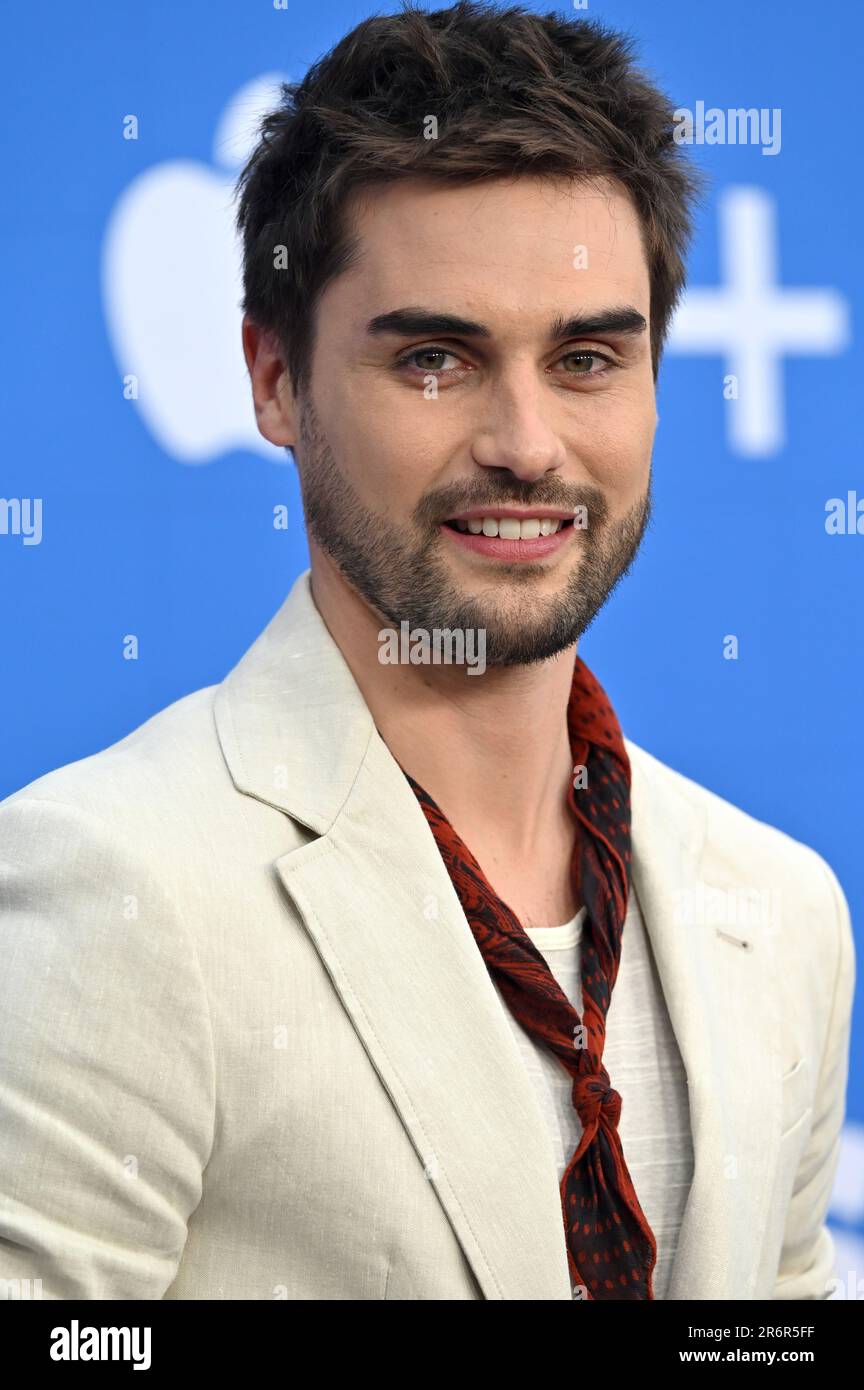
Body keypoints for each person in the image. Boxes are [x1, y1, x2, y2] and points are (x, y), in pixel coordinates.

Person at [0, 2, 854, 1301]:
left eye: (585, 357)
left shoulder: (784, 912)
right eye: (437, 358)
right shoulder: (111, 892)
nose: (525, 439)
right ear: (275, 378)